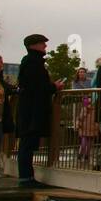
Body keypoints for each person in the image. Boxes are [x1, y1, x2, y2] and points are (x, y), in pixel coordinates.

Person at [16, 34, 64, 187]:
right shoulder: (33, 63)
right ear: (33, 45)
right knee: (27, 144)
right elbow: (36, 87)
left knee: (27, 144)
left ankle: (27, 176)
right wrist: (53, 87)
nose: (45, 46)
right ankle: (25, 178)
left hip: (30, 110)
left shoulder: (31, 62)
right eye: (42, 43)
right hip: (32, 111)